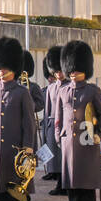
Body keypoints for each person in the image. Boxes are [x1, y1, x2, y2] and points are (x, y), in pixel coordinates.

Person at [0, 37, 37, 201]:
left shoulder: (22, 92)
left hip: (16, 145)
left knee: (16, 181)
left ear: (13, 69)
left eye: (5, 68)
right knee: (0, 181)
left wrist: (28, 146)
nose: (1, 72)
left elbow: (29, 122)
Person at [54, 39, 101, 201]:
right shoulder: (63, 90)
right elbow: (58, 117)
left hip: (87, 136)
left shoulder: (92, 90)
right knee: (71, 175)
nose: (73, 72)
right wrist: (57, 136)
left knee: (87, 174)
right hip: (68, 138)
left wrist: (100, 134)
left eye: (77, 68)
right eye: (71, 69)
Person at [42, 49, 67, 192]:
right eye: (56, 71)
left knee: (64, 157)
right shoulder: (51, 88)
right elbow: (47, 110)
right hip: (53, 124)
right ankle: (58, 183)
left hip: (65, 124)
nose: (58, 73)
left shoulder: (69, 85)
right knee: (54, 157)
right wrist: (46, 129)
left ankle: (65, 183)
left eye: (60, 70)